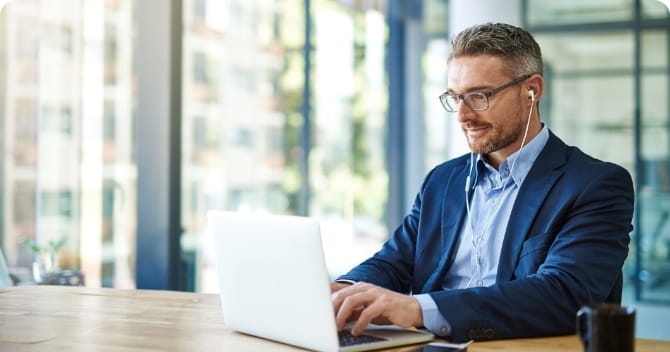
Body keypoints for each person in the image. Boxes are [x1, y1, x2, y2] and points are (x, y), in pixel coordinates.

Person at [330, 22, 634, 342]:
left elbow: (564, 294)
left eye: (478, 96)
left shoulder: (595, 185)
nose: (463, 115)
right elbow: (394, 263)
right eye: (455, 97)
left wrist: (419, 309)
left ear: (532, 90)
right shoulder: (443, 180)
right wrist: (345, 292)